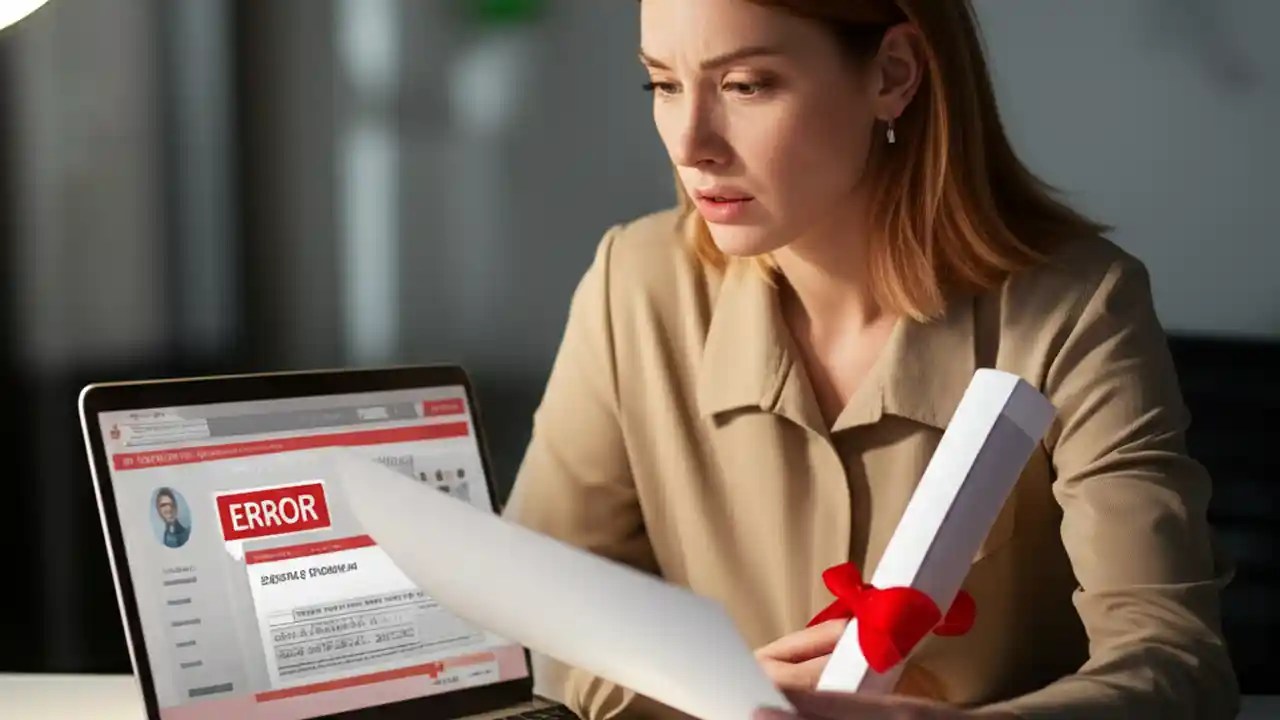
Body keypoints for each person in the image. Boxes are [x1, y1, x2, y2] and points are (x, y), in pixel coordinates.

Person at [502, 1, 1237, 718]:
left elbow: (1174, 660)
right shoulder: (632, 284)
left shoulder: (1079, 308)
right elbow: (534, 615)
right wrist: (703, 694)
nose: (691, 143)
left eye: (746, 85)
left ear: (893, 74)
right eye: (662, 84)